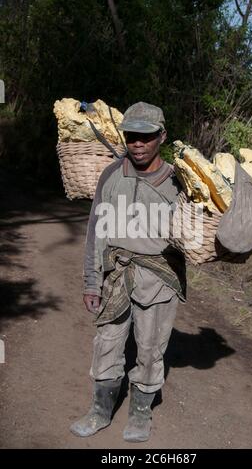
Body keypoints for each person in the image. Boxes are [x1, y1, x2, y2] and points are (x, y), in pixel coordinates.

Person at [70, 102, 186, 442]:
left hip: (159, 278)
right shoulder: (111, 175)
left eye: (146, 137)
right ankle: (99, 411)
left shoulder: (178, 182)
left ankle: (140, 413)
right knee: (106, 343)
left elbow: (194, 234)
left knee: (150, 350)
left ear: (161, 136)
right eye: (131, 136)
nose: (137, 144)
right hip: (116, 275)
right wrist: (92, 281)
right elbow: (95, 231)